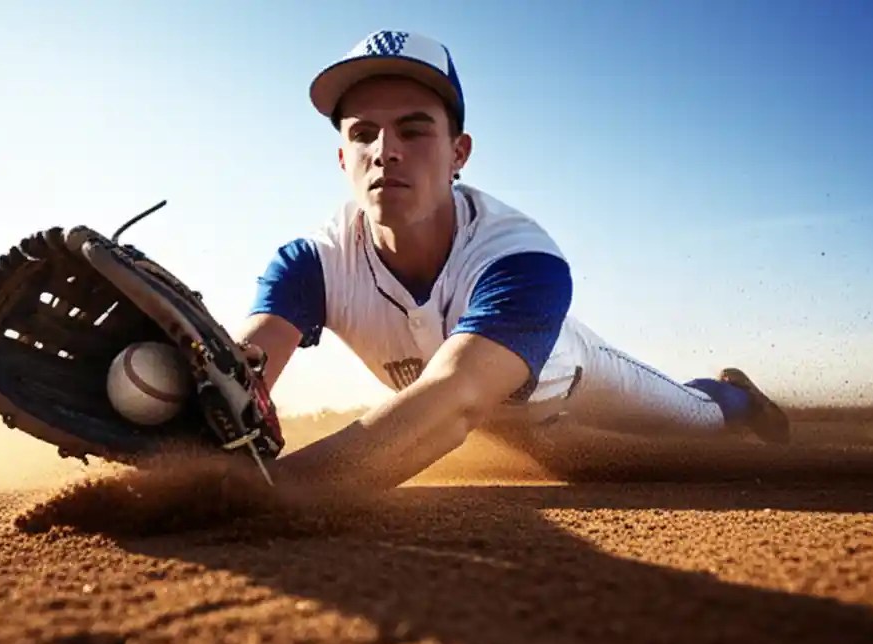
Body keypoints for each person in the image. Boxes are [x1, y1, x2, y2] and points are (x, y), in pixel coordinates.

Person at [233, 30, 790, 493]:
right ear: (342, 158)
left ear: (460, 153)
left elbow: (453, 403)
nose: (385, 150)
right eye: (363, 134)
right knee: (576, 465)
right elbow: (242, 375)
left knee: (699, 422)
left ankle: (735, 394)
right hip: (475, 420)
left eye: (413, 128)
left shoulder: (520, 256)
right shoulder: (310, 262)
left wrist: (269, 493)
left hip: (567, 382)